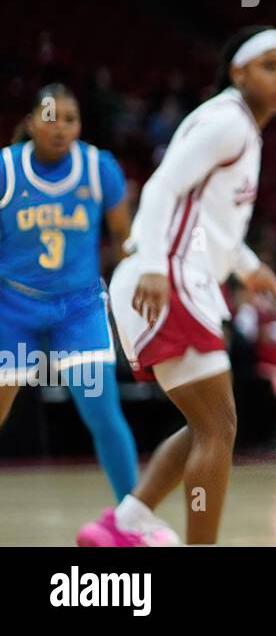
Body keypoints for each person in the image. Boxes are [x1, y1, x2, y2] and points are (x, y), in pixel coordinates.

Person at [78, 26, 276, 545]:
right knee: (219, 427)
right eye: (270, 66)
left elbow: (208, 223)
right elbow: (162, 186)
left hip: (178, 274)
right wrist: (153, 263)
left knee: (208, 423)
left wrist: (247, 267)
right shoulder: (228, 122)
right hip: (168, 276)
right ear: (238, 71)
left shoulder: (239, 126)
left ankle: (127, 521)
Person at [0, 84, 160, 533]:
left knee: (102, 412)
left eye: (69, 119)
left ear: (80, 125)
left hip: (78, 308)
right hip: (14, 307)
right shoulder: (5, 170)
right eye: (50, 117)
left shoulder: (98, 168)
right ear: (31, 122)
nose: (60, 127)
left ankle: (131, 521)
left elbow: (125, 242)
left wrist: (148, 271)